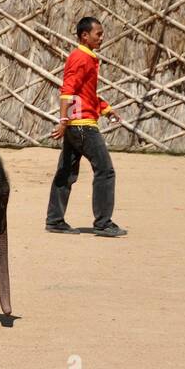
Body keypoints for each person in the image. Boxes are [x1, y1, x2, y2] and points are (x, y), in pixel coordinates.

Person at [46, 16, 127, 237]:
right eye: (98, 34)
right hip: (82, 126)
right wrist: (64, 121)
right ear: (85, 36)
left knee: (66, 173)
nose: (101, 38)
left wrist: (105, 108)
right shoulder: (80, 58)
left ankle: (54, 220)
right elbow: (68, 91)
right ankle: (103, 223)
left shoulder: (87, 58)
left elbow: (86, 94)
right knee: (105, 171)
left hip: (78, 124)